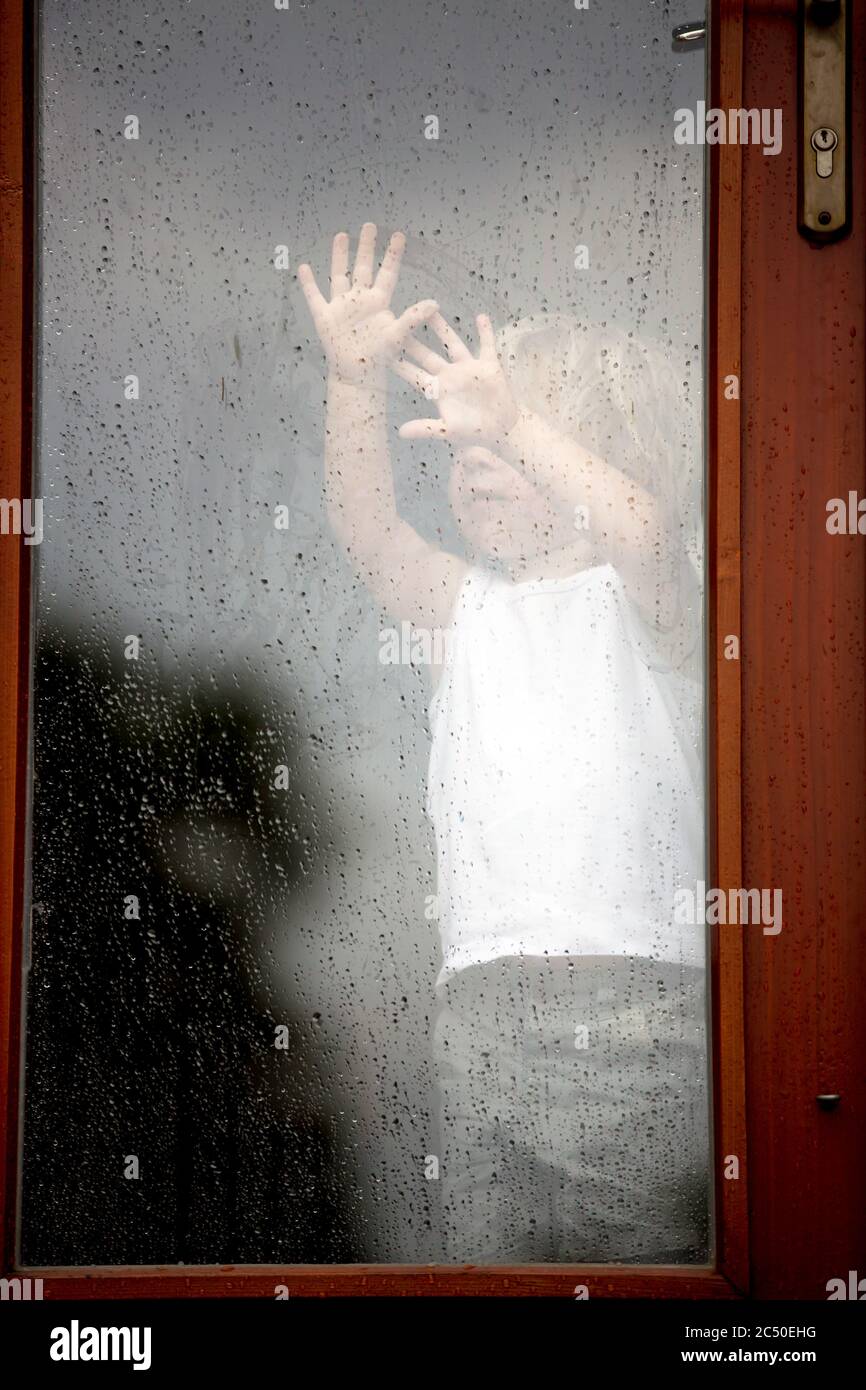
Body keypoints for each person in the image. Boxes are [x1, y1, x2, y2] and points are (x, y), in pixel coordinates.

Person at [298, 222, 708, 1263]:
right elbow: (368, 529)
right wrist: (354, 382)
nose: (479, 464)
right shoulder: (461, 609)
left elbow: (643, 528)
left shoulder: (646, 602)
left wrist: (514, 419)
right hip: (478, 1016)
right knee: (496, 1271)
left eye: (510, 445)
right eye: (464, 444)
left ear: (597, 458)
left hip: (641, 1010)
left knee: (642, 1263)